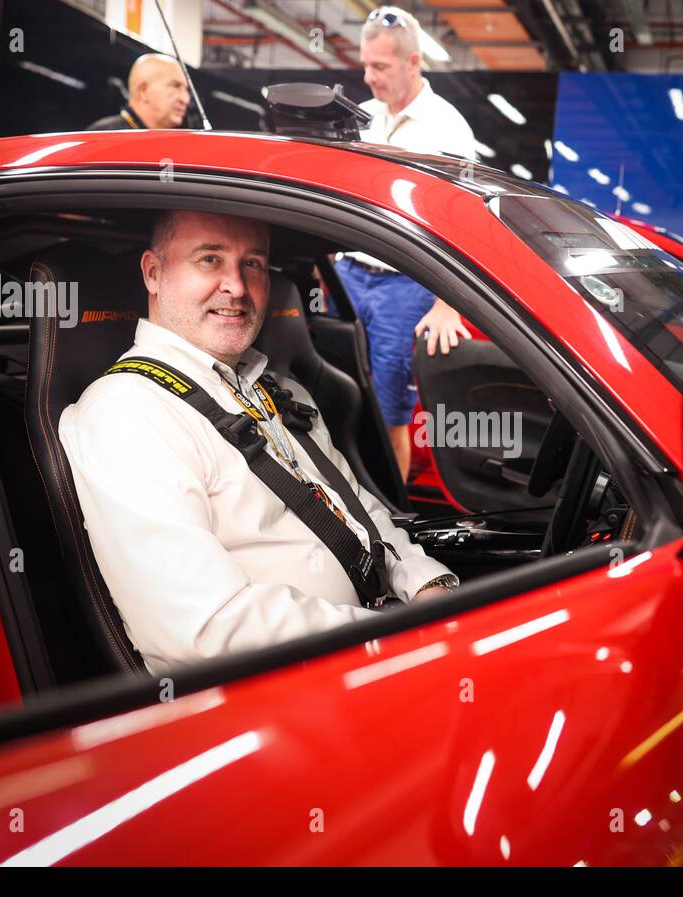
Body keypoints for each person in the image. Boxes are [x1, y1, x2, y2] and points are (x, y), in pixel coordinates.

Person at [60, 210, 458, 675]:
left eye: (253, 263)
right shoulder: (126, 413)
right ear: (153, 272)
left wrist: (427, 586)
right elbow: (207, 630)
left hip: (367, 650)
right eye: (210, 259)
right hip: (277, 694)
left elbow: (357, 512)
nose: (237, 286)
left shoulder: (277, 390)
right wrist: (393, 638)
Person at [334, 5, 476, 481]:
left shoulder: (447, 127)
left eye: (380, 67)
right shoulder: (362, 119)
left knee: (389, 404)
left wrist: (447, 304)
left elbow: (461, 220)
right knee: (333, 384)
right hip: (349, 274)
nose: (369, 77)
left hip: (406, 284)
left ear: (413, 62)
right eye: (366, 64)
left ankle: (391, 519)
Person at [88, 53, 191, 130]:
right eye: (175, 86)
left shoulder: (174, 144)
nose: (185, 99)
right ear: (143, 91)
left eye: (186, 90)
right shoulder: (103, 137)